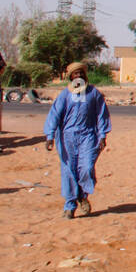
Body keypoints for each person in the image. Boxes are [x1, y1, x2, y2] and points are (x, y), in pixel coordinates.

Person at [44, 62, 112, 219]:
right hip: (67, 137)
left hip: (88, 136)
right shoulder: (64, 95)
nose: (79, 76)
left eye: (81, 73)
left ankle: (83, 195)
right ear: (71, 77)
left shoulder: (94, 93)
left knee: (86, 167)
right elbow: (54, 116)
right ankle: (70, 206)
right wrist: (50, 136)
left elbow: (102, 115)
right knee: (69, 171)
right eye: (75, 74)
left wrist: (102, 135)